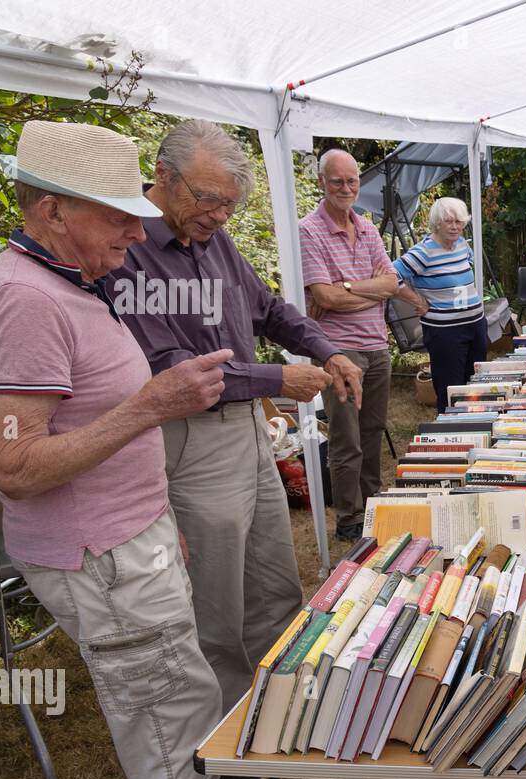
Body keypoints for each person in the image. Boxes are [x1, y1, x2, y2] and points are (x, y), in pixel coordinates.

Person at [0, 121, 229, 779]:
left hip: (117, 543)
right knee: (175, 725)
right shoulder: (26, 301)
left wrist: (153, 514)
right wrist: (154, 403)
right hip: (102, 558)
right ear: (51, 212)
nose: (136, 234)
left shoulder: (56, 281)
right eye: (117, 216)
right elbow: (16, 465)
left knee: (148, 710)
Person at [113, 119, 363, 731]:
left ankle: (285, 709)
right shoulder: (125, 250)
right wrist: (279, 380)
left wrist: (324, 348)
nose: (222, 215)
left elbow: (271, 308)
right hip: (192, 440)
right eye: (209, 199)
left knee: (275, 578)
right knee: (216, 599)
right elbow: (177, 372)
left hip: (247, 428)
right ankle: (231, 728)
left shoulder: (212, 238)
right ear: (163, 177)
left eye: (231, 202)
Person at [299, 148, 405, 541]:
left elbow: (392, 284)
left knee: (373, 430)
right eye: (337, 181)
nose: (346, 188)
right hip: (338, 351)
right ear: (322, 183)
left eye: (352, 180)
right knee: (346, 438)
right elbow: (325, 299)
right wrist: (370, 291)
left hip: (376, 346)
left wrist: (347, 287)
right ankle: (349, 517)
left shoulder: (368, 229)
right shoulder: (308, 230)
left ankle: (372, 504)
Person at [393, 197, 486, 412]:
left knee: (477, 387)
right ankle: (451, 437)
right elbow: (390, 275)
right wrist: (416, 300)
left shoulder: (461, 244)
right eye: (449, 221)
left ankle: (476, 432)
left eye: (459, 222)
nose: (455, 227)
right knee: (450, 391)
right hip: (445, 333)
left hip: (475, 325)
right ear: (437, 223)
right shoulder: (423, 252)